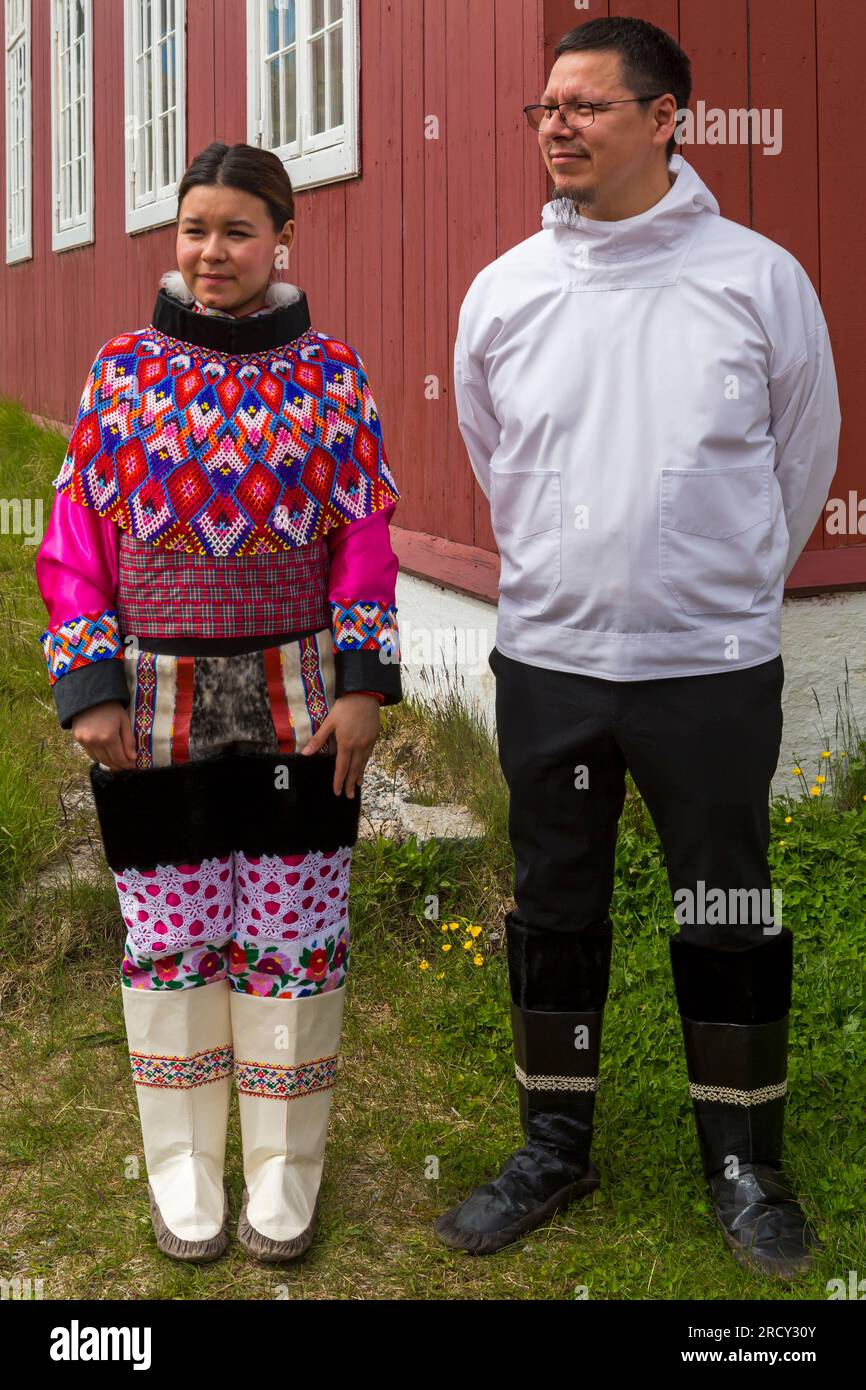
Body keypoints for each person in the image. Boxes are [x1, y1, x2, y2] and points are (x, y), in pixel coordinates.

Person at [440, 16, 841, 1278]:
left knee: (722, 906)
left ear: (665, 118)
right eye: (541, 107)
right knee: (554, 906)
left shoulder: (756, 278)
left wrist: (715, 593)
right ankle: (554, 1140)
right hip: (551, 664)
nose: (554, 123)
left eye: (585, 105)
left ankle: (742, 1158)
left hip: (708, 670)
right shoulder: (504, 292)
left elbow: (800, 457)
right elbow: (493, 457)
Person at [35, 142, 402, 1263]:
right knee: (170, 937)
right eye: (194, 228)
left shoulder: (332, 376)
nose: (211, 252)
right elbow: (74, 543)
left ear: (282, 236)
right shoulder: (121, 375)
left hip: (298, 700)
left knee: (290, 937)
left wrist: (361, 684)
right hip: (152, 707)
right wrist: (88, 682)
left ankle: (283, 1180)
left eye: (237, 230)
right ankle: (185, 1175)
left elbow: (364, 546)